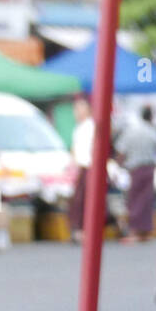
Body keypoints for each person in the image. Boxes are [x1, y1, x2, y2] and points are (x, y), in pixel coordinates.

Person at [115, 106, 156, 243]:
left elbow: (121, 150)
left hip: (136, 168)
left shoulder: (132, 131)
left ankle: (135, 231)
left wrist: (118, 166)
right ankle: (145, 231)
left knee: (135, 200)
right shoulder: (153, 131)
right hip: (149, 168)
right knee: (146, 200)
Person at [69, 96, 95, 243]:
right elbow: (75, 149)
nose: (76, 111)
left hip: (90, 168)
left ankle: (85, 230)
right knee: (79, 201)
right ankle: (80, 230)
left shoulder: (91, 126)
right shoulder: (79, 128)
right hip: (81, 167)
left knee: (85, 201)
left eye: (79, 108)